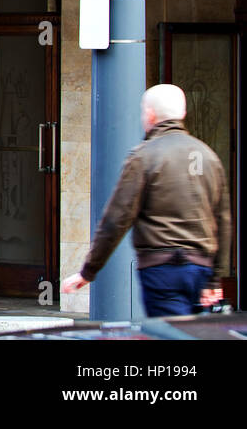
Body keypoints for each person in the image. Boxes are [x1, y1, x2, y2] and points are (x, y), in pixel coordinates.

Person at [62, 84, 232, 317]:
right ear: (181, 114)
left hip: (161, 271)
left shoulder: (143, 157)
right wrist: (214, 279)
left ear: (150, 115)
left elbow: (116, 220)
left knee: (170, 333)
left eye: (143, 111)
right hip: (200, 270)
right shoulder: (208, 157)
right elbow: (223, 222)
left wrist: (88, 271)